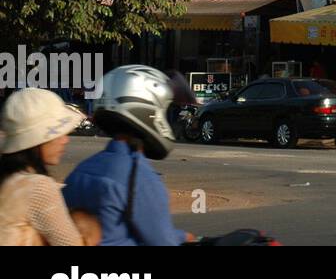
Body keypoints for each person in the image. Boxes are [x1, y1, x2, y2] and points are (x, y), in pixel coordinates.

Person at [62, 65, 193, 246]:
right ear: (148, 110)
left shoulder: (81, 170)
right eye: (164, 109)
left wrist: (179, 236)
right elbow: (162, 241)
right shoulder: (139, 178)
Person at [0, 88, 100, 246]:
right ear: (38, 140)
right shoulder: (39, 187)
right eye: (58, 133)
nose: (65, 140)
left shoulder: (9, 180)